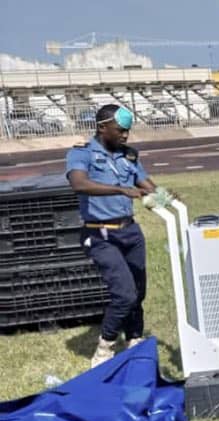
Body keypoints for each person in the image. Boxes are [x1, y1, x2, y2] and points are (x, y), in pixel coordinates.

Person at [65, 104, 169, 367]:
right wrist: (121, 190)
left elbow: (147, 185)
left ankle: (134, 341)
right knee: (124, 294)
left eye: (128, 131)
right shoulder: (82, 153)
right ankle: (105, 348)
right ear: (102, 128)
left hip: (130, 232)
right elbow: (79, 183)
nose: (126, 136)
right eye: (121, 131)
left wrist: (164, 196)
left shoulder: (130, 155)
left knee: (138, 293)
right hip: (101, 234)